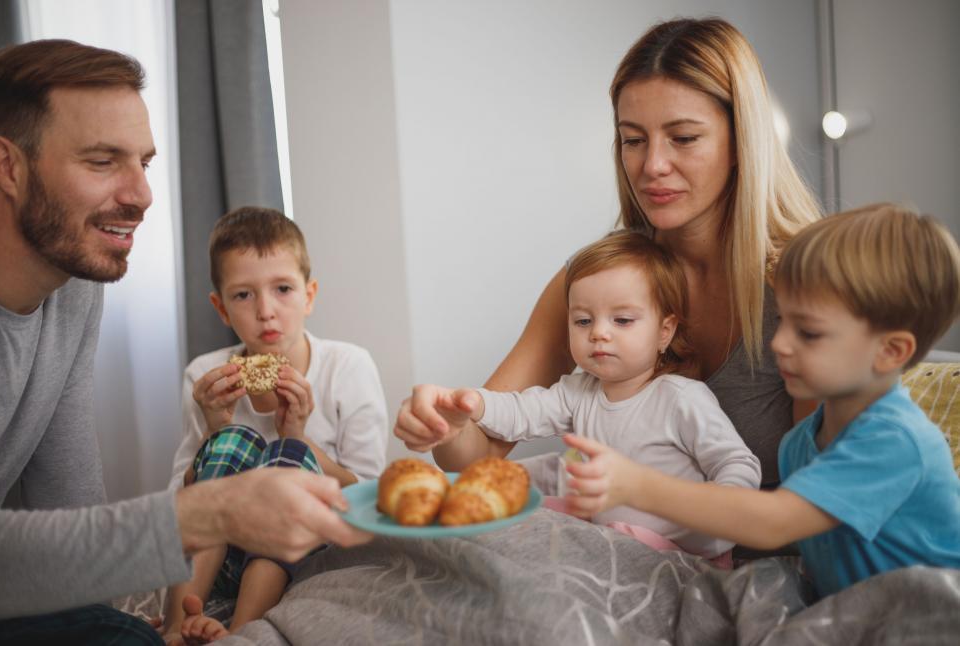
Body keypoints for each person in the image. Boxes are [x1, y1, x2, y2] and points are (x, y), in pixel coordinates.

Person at [0, 39, 369, 644]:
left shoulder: (75, 288)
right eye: (101, 161)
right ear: (8, 167)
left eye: (144, 162)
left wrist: (102, 616)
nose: (141, 195)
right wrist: (209, 510)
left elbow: (65, 497)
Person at [395, 18, 822, 488]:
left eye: (683, 138)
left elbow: (815, 495)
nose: (652, 165)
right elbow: (482, 450)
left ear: (742, 141)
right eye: (633, 140)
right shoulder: (589, 283)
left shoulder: (804, 285)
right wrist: (445, 427)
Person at [561, 204, 960, 599]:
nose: (779, 343)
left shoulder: (894, 441)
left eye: (808, 332)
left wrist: (638, 485)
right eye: (783, 321)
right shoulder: (803, 440)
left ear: (890, 351)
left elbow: (773, 523)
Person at [400, 231, 760, 562]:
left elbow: (737, 463)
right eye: (583, 321)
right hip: (611, 542)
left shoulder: (682, 398)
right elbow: (522, 412)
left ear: (664, 332)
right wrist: (474, 404)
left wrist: (722, 514)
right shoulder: (578, 392)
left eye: (622, 320)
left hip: (685, 554)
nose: (599, 334)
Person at [162, 207, 388, 643]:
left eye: (283, 289)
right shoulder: (204, 375)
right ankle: (175, 623)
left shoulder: (348, 367)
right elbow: (179, 503)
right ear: (221, 308)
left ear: (309, 294)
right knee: (231, 439)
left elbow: (368, 496)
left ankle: (244, 630)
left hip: (309, 552)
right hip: (224, 557)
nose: (266, 311)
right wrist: (213, 430)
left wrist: (298, 440)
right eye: (243, 295)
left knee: (290, 456)